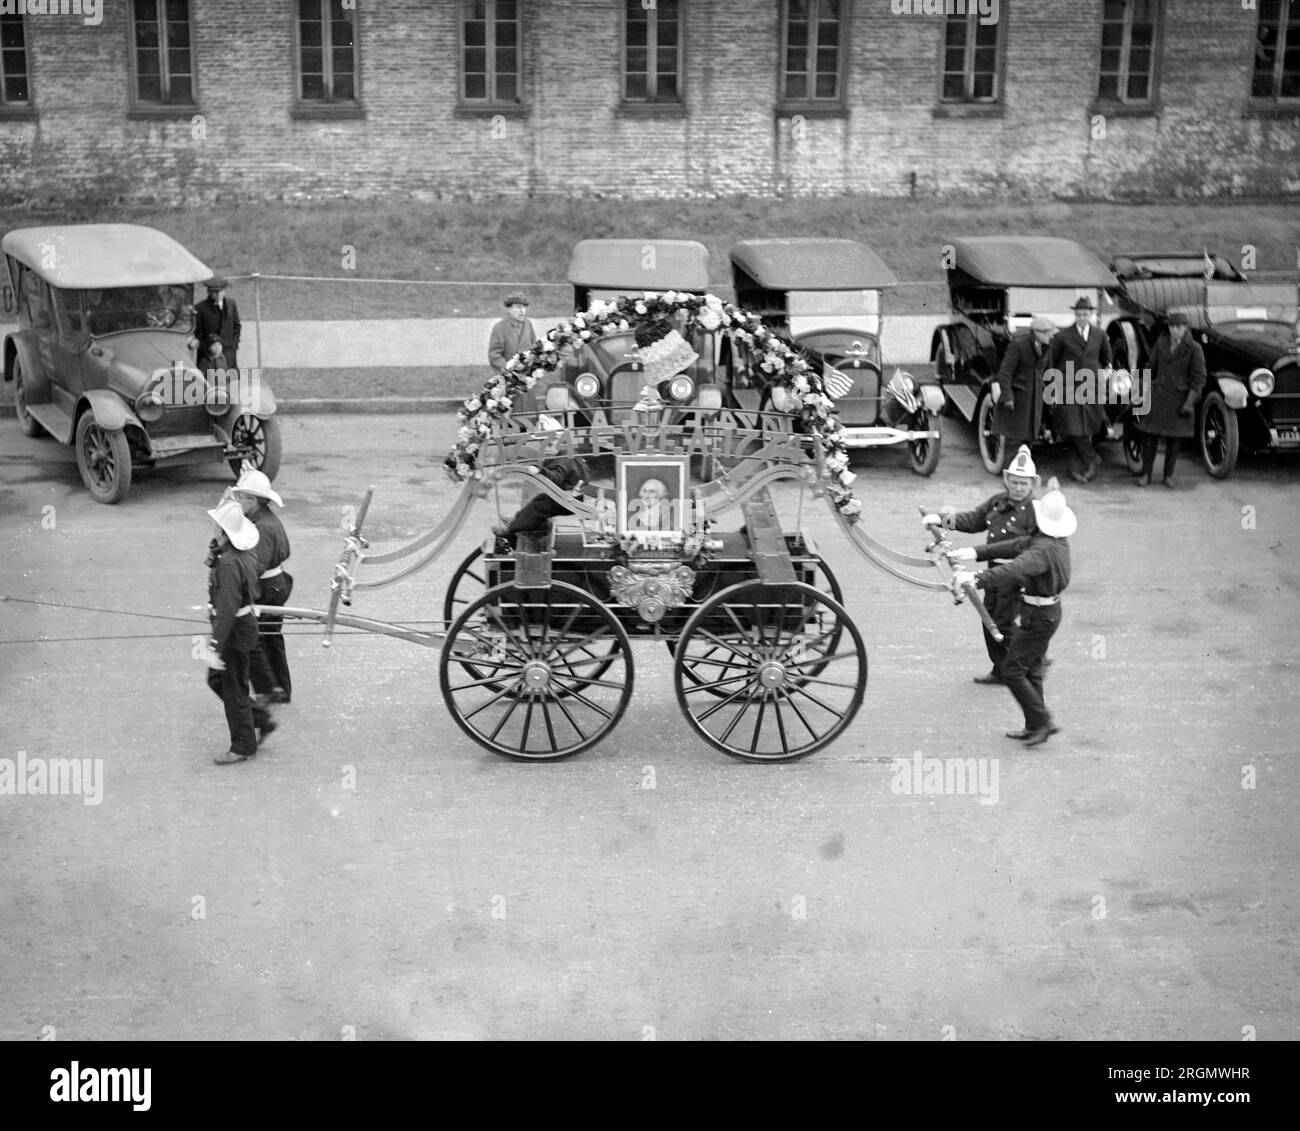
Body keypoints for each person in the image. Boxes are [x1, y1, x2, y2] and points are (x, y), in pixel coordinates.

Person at [948, 477, 1075, 747]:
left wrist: (977, 578)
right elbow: (1010, 548)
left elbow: (1014, 567)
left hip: (1040, 616)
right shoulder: (1050, 541)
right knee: (1032, 671)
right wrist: (973, 552)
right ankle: (1034, 726)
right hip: (1041, 612)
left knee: (1012, 671)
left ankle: (1042, 722)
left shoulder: (1042, 550)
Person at [923, 444, 1040, 685]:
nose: (1018, 488)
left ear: (1032, 484)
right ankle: (1001, 670)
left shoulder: (1036, 512)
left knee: (1005, 624)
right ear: (1007, 480)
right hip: (992, 571)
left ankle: (1030, 663)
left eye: (1024, 483)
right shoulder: (998, 502)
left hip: (1016, 575)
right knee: (988, 620)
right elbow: (974, 520)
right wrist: (941, 519)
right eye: (1014, 482)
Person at [204, 498, 275, 765]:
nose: (213, 528)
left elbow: (226, 612)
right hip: (240, 629)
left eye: (217, 526)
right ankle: (259, 719)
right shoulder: (236, 555)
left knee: (233, 689)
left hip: (234, 634)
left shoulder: (230, 564)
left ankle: (243, 746)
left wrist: (214, 648)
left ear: (225, 532)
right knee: (219, 681)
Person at [231, 467, 293, 704]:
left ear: (254, 501)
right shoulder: (260, 518)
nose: (238, 501)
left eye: (242, 497)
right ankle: (279, 687)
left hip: (268, 588)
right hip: (274, 584)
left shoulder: (263, 527)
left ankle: (271, 688)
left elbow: (255, 566)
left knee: (261, 638)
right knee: (270, 637)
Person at [1133, 311, 1206, 488]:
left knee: (1174, 440)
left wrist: (1189, 403)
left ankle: (1168, 476)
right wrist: (1142, 388)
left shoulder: (1194, 348)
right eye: (1172, 327)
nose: (1174, 331)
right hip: (1158, 396)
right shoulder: (1161, 343)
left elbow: (1199, 378)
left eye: (1178, 327)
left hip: (1179, 399)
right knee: (1150, 437)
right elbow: (1150, 367)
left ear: (1185, 328)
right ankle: (1146, 474)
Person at [1046, 296, 1111, 484]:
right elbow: (1051, 363)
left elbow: (1107, 359)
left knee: (1086, 427)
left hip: (1091, 388)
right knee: (1073, 427)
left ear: (1091, 314)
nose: (1082, 317)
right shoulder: (1062, 336)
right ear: (1074, 315)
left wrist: (1105, 375)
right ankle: (1092, 460)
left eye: (1085, 314)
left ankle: (1076, 468)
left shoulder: (1100, 335)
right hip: (1068, 389)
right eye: (1078, 314)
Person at [992, 315, 1056, 467]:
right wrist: (1008, 396)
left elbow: (1049, 373)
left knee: (1029, 443)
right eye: (1050, 334)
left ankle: (1023, 474)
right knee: (1014, 443)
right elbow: (1004, 374)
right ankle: (1010, 475)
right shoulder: (1018, 345)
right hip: (1017, 403)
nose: (1052, 337)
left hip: (1035, 403)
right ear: (1039, 333)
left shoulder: (1047, 347)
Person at [493, 455, 586, 547]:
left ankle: (510, 531)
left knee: (538, 508)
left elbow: (556, 478)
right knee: (540, 498)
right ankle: (517, 520)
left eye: (550, 444)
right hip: (571, 497)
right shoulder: (566, 454)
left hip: (569, 503)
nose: (546, 448)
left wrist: (540, 470)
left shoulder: (562, 460)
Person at [195, 276, 241, 376]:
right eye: (215, 292)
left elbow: (236, 327)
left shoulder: (231, 304)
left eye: (221, 291)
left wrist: (233, 346)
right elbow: (197, 333)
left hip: (229, 355)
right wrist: (208, 348)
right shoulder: (200, 308)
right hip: (209, 358)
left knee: (231, 384)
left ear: (224, 291)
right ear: (209, 292)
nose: (218, 294)